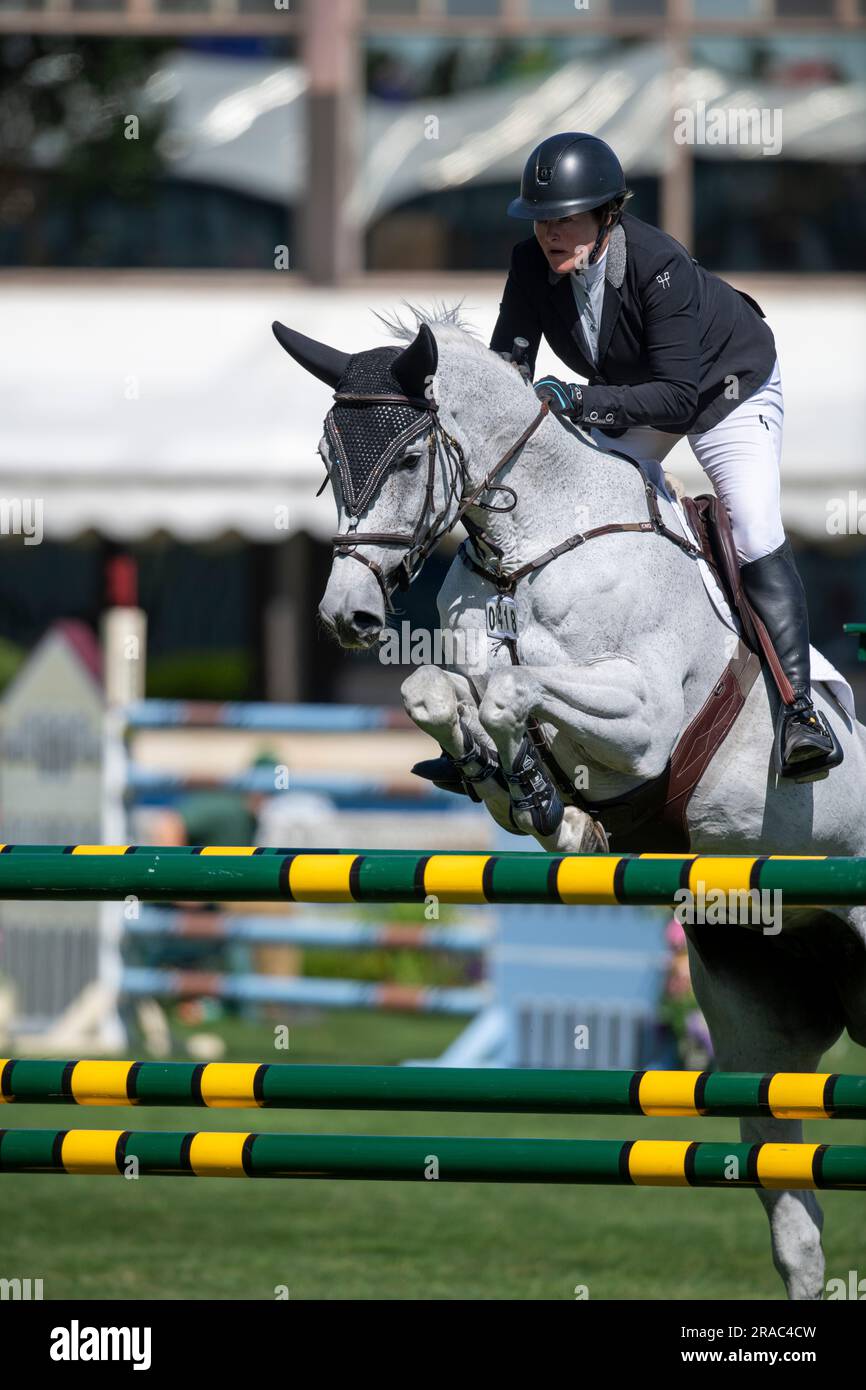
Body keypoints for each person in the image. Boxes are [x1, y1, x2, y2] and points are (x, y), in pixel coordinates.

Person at [490, 131, 842, 781]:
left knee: (753, 528)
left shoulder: (659, 264)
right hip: (634, 396)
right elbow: (507, 370)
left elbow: (678, 399)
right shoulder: (528, 265)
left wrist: (574, 397)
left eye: (566, 218)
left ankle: (800, 713)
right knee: (571, 518)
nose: (550, 233)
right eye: (542, 219)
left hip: (726, 388)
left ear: (608, 215)